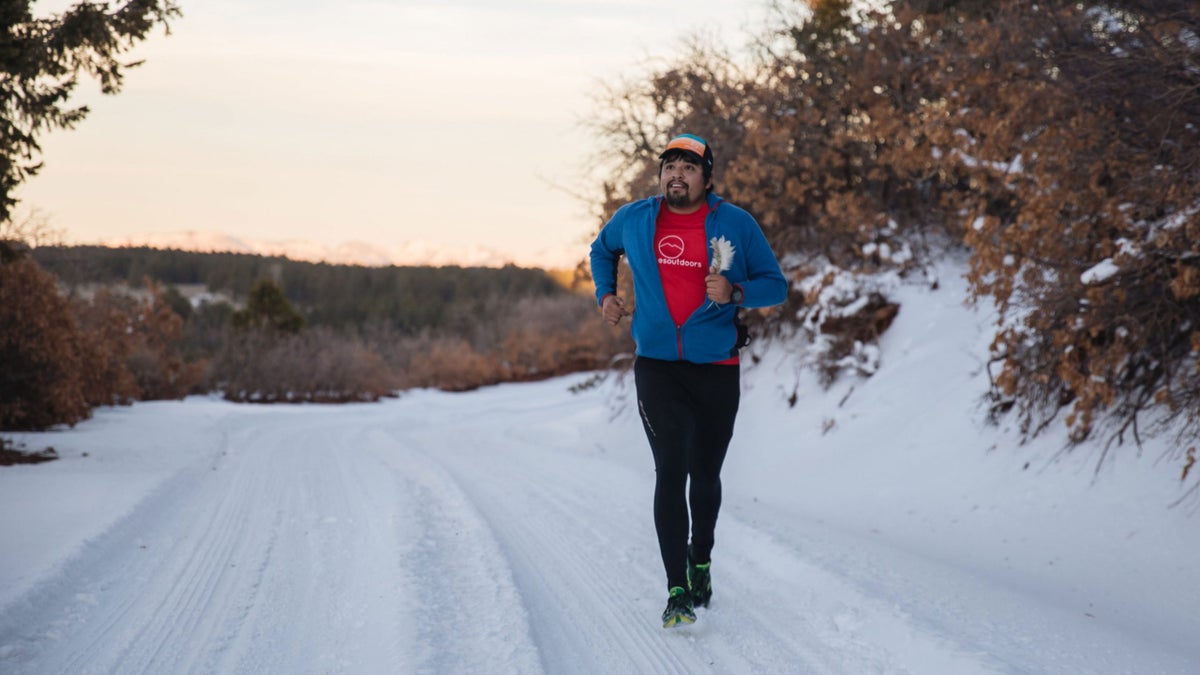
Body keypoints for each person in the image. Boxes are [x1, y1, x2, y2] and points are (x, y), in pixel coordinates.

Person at [589, 133, 788, 628]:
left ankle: (702, 560)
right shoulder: (634, 218)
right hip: (657, 365)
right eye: (669, 165)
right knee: (670, 469)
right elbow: (601, 249)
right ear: (660, 175)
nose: (677, 173)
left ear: (708, 177)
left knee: (705, 475)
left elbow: (775, 284)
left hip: (716, 369)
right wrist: (605, 295)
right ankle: (677, 588)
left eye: (689, 166)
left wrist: (736, 290)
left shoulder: (735, 224)